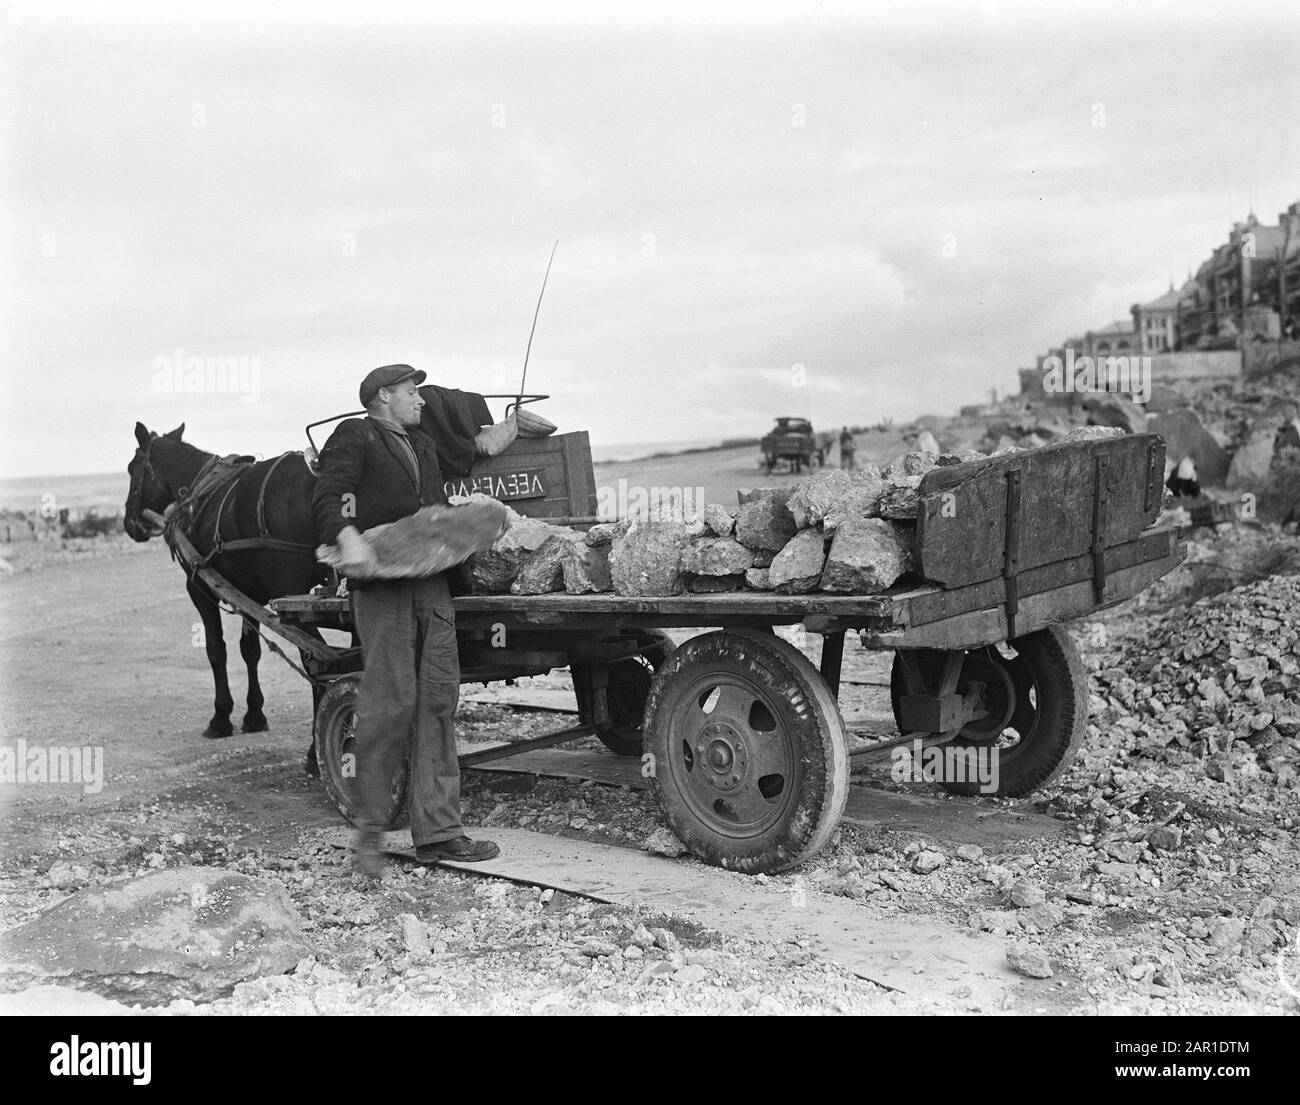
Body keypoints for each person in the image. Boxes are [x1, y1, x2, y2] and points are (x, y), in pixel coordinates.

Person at [313, 364, 499, 879]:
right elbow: (331, 492)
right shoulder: (356, 435)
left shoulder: (424, 446)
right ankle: (369, 833)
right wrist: (345, 533)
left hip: (432, 586)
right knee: (389, 703)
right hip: (383, 590)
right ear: (382, 397)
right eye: (412, 392)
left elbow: (434, 510)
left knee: (438, 700)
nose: (421, 401)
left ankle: (439, 834)